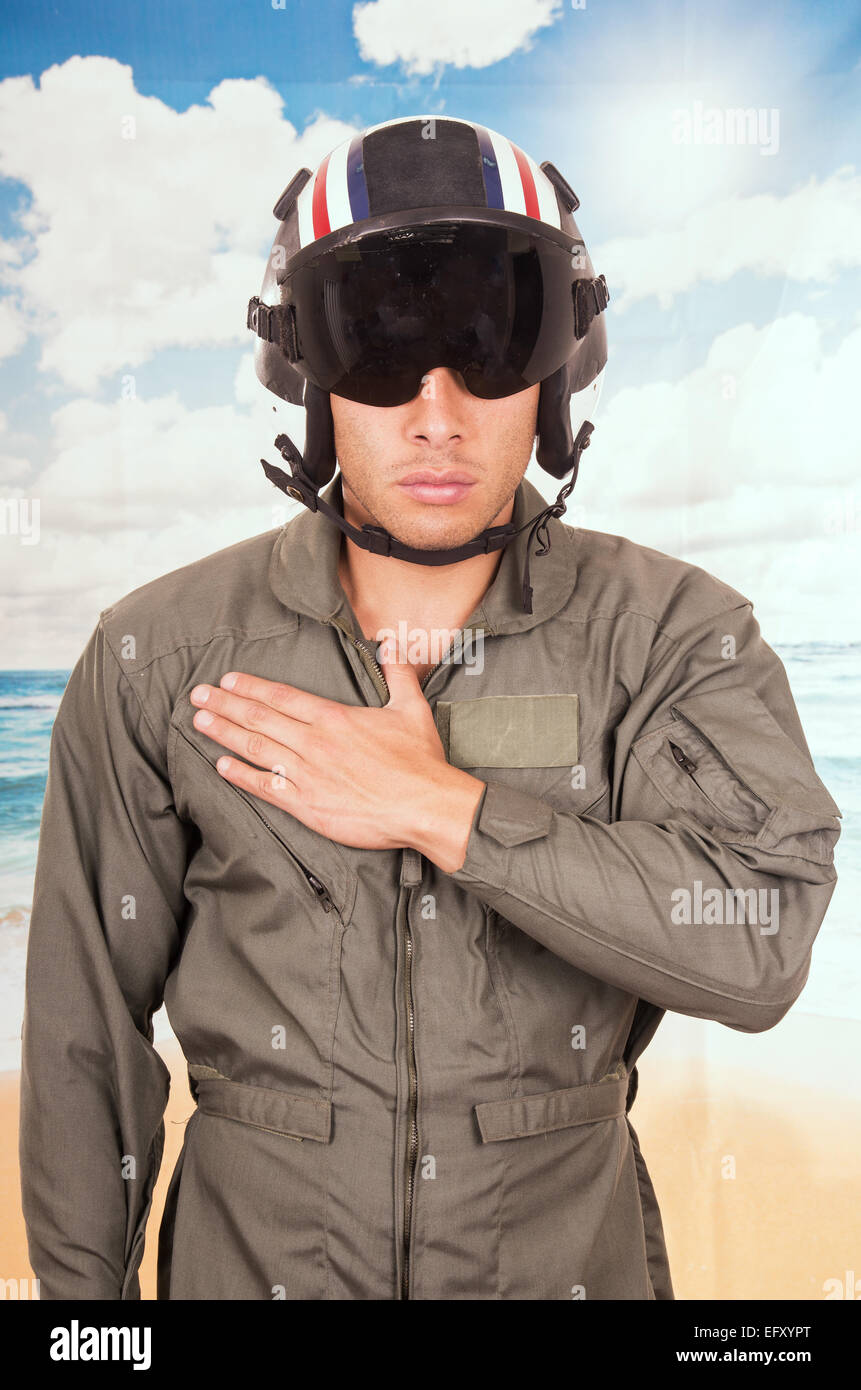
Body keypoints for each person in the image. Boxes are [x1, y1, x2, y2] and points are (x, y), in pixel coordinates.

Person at [19, 115, 842, 1301]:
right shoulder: (157, 657)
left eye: (491, 343)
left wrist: (445, 809)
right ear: (309, 377)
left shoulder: (675, 637)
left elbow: (759, 939)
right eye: (382, 347)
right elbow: (84, 1032)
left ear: (560, 373)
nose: (438, 415)